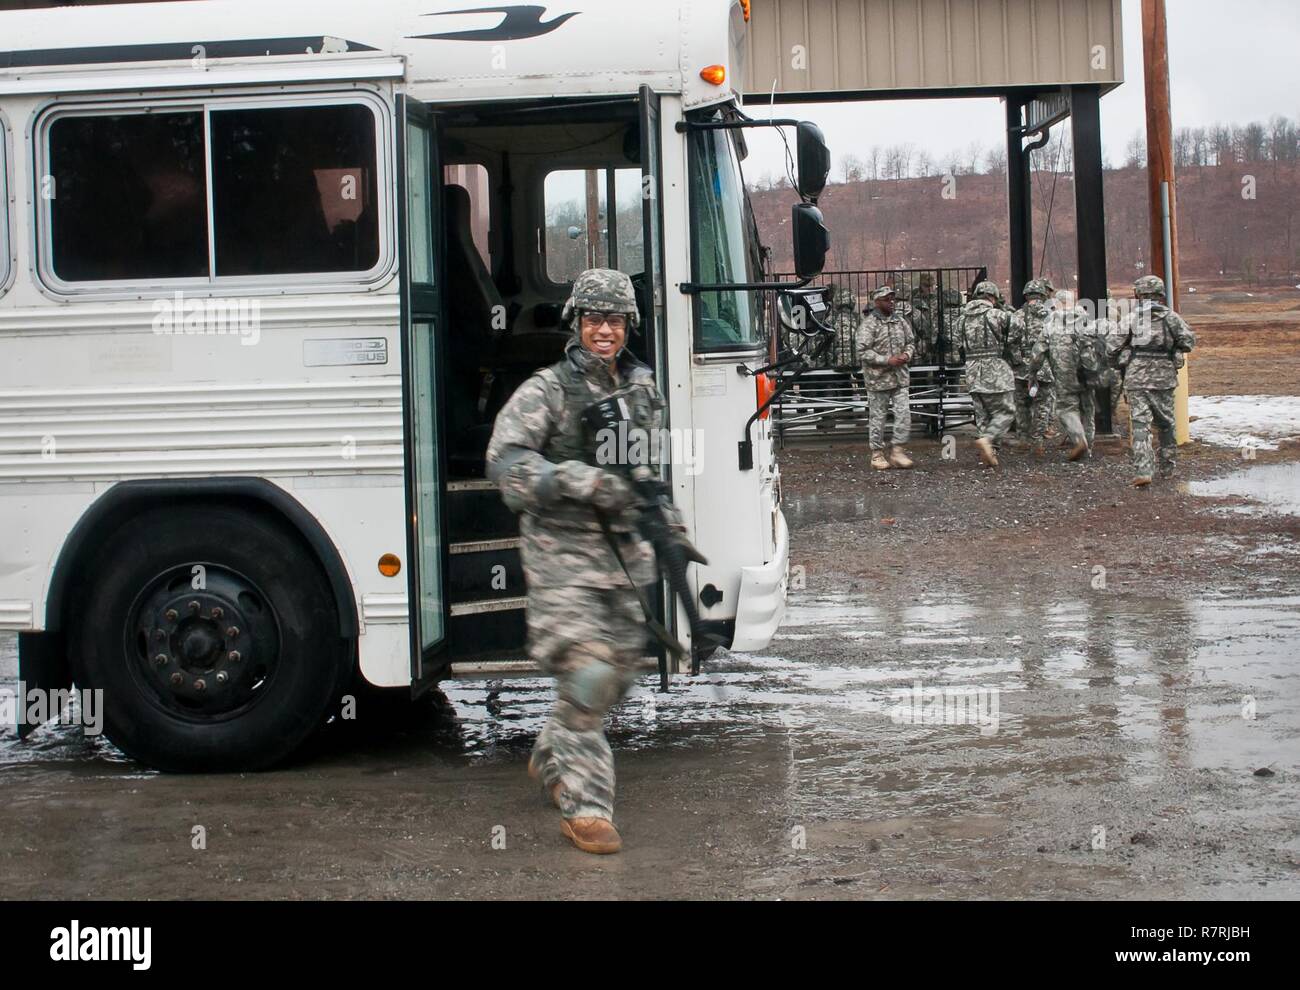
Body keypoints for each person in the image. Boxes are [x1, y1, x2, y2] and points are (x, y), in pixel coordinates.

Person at [486, 268, 687, 854]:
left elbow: (648, 467)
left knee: (616, 676)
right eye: (595, 318)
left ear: (630, 325)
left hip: (624, 555)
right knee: (590, 675)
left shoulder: (643, 391)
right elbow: (505, 465)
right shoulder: (546, 390)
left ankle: (553, 749)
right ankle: (587, 807)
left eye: (616, 319)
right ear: (577, 323)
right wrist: (572, 479)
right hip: (562, 555)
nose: (605, 329)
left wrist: (667, 521)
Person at [1108, 275, 1196, 486]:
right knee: (1166, 424)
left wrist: (1122, 358)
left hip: (1136, 377)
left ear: (1138, 294)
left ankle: (1143, 470)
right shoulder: (1172, 318)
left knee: (1141, 424)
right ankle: (1167, 467)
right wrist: (1172, 349)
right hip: (1163, 378)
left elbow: (1111, 346)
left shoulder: (1130, 318)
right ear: (1160, 294)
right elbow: (1188, 342)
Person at [1030, 293, 1103, 462]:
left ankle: (1079, 440)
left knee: (1065, 409)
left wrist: (1032, 373)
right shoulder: (1087, 320)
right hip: (1087, 371)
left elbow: (1037, 354)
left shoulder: (1051, 324)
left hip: (1065, 375)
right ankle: (1088, 449)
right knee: (1088, 408)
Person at [956, 280, 1016, 467]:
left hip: (972, 369)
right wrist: (1006, 308)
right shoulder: (996, 315)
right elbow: (1019, 328)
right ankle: (988, 440)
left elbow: (958, 345)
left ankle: (990, 453)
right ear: (993, 296)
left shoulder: (962, 319)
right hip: (994, 368)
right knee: (1006, 411)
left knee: (982, 414)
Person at [856, 286, 915, 470]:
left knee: (904, 415)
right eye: (887, 299)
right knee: (878, 418)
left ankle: (898, 451)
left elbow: (911, 341)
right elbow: (862, 351)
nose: (891, 302)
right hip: (878, 380)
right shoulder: (869, 324)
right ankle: (877, 455)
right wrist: (886, 360)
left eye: (893, 299)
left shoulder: (900, 322)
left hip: (899, 378)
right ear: (877, 302)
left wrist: (907, 354)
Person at [1009, 278, 1056, 454]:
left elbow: (1011, 342)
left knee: (1021, 404)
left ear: (1026, 295)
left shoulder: (1017, 315)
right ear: (1043, 295)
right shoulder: (1051, 314)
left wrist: (1017, 361)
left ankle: (1023, 439)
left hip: (1021, 367)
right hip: (1044, 366)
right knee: (1042, 404)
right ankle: (1038, 441)